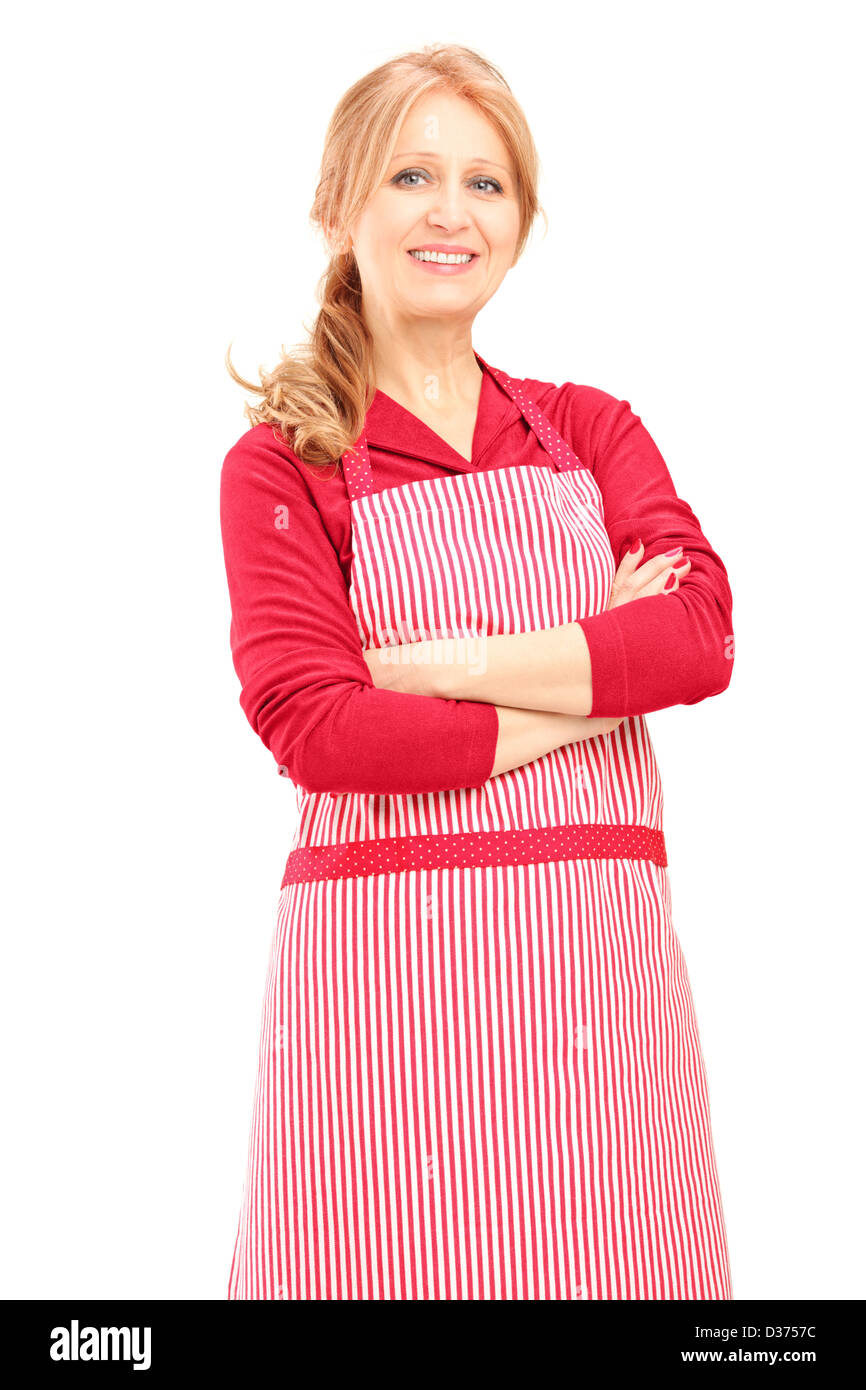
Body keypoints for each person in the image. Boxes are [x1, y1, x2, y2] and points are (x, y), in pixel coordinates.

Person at [219, 42, 735, 1300]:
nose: (448, 212)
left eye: (483, 183)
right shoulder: (284, 464)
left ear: (519, 220)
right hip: (384, 994)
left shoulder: (590, 428)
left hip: (599, 986)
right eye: (410, 175)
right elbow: (321, 729)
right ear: (337, 207)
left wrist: (438, 667)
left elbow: (697, 639)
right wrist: (592, 685)